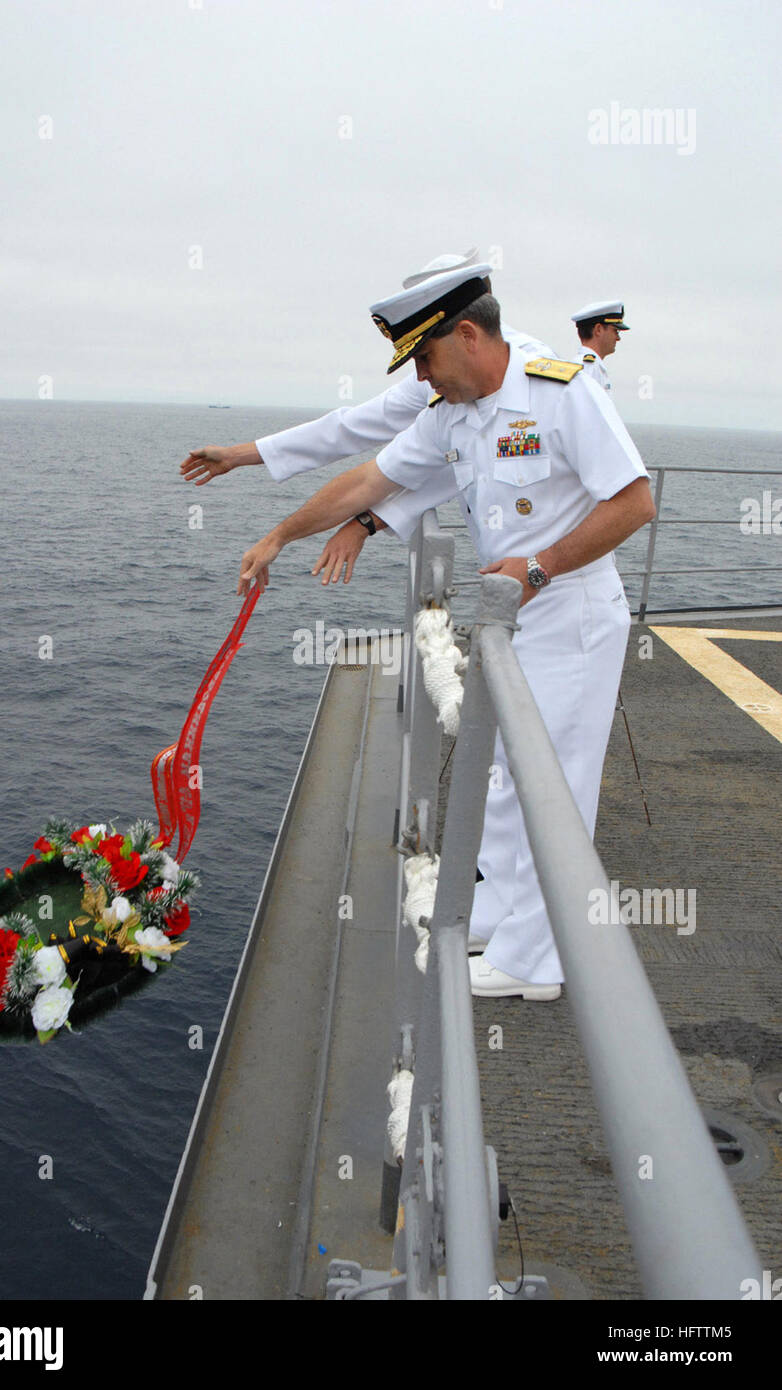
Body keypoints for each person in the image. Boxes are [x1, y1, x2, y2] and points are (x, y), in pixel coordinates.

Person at [235, 265, 655, 1000]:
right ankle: (496, 910)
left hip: (570, 611)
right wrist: (279, 535)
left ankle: (540, 959)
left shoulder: (561, 391)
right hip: (514, 616)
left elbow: (634, 501)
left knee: (553, 785)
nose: (422, 378)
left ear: (466, 335)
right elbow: (368, 481)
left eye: (425, 358)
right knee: (500, 771)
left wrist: (543, 566)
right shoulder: (454, 413)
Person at [180, 252, 557, 584]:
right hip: (509, 582)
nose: (422, 372)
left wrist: (366, 523)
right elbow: (352, 429)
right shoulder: (440, 383)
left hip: (555, 582)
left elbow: (454, 470)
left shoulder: (541, 382)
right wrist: (238, 456)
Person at [570, 300, 630, 392]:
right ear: (598, 329)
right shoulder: (588, 368)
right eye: (616, 331)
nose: (618, 338)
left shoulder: (591, 366)